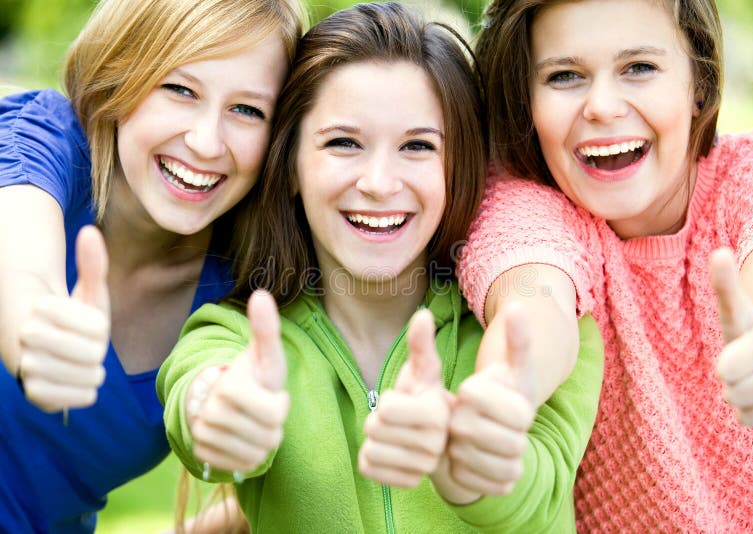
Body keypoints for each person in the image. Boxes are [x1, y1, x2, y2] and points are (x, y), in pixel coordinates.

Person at [157, 2, 605, 532]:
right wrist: (223, 410)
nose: (378, 181)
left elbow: (532, 491)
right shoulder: (230, 337)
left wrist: (468, 455)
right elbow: (198, 400)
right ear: (293, 165)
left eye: (417, 146)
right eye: (344, 143)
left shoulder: (544, 328)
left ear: (457, 168)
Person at [456, 0, 753, 530]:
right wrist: (505, 388)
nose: (602, 105)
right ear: (525, 102)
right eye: (564, 75)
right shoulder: (528, 208)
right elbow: (534, 297)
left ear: (698, 84)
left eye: (639, 67)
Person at [0, 0, 304, 531]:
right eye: (180, 90)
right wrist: (36, 333)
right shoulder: (44, 140)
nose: (206, 142)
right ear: (121, 74)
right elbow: (17, 263)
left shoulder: (242, 287)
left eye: (247, 111)